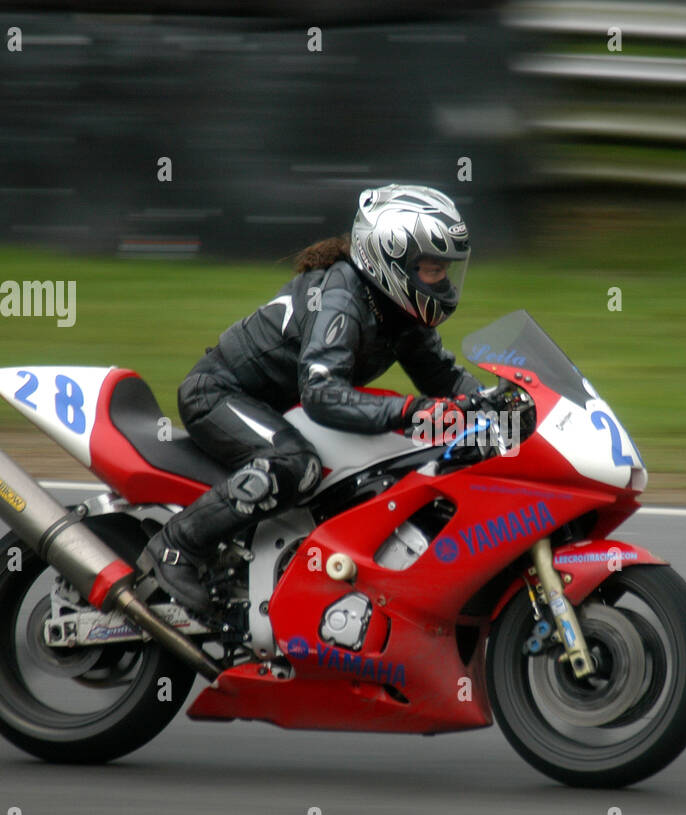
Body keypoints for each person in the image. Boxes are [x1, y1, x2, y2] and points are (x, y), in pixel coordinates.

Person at [138, 183, 481, 615]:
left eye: (446, 270)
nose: (444, 281)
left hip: (279, 407)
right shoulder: (341, 299)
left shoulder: (398, 312)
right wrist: (411, 411)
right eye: (433, 269)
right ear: (394, 260)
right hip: (221, 395)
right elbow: (321, 393)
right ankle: (175, 546)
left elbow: (446, 377)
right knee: (296, 465)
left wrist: (505, 404)